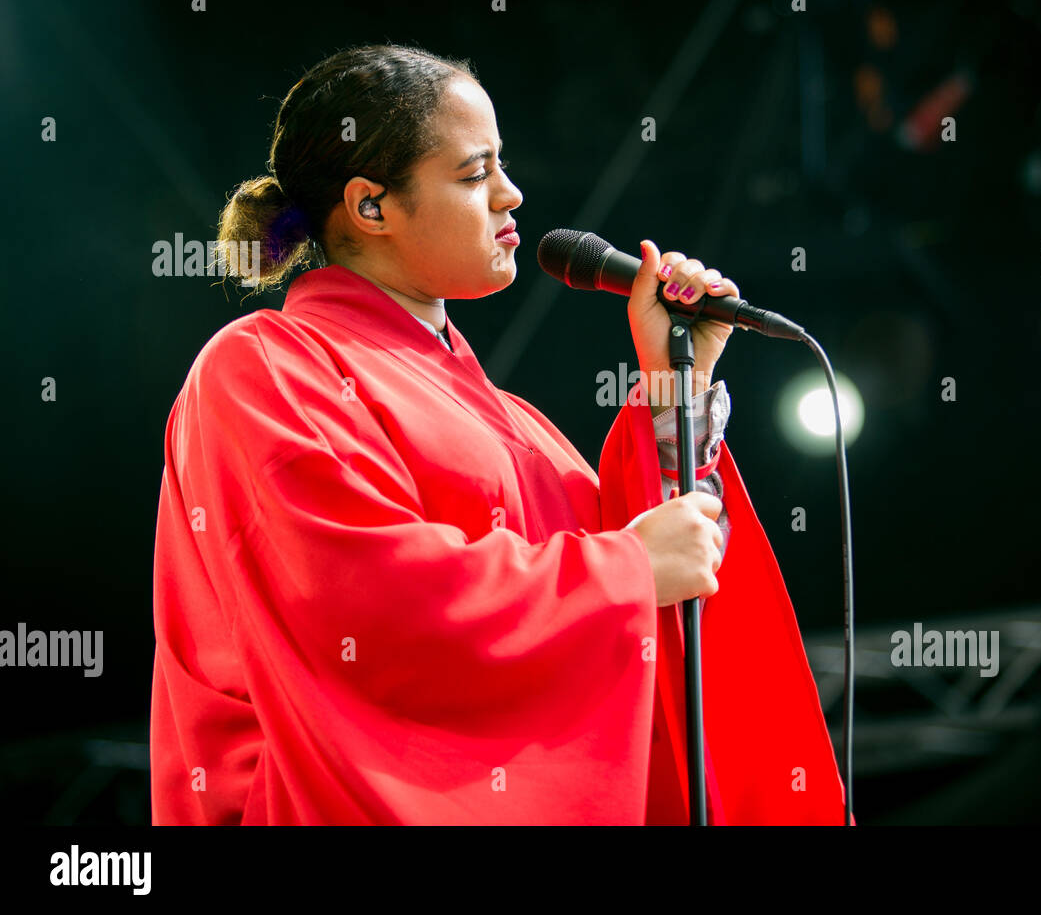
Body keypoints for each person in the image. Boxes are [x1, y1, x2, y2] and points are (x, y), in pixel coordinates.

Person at [150, 44, 848, 824]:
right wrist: (625, 571)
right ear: (371, 205)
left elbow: (659, 615)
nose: (513, 195)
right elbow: (365, 610)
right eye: (476, 174)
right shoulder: (263, 366)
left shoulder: (520, 424)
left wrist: (670, 385)